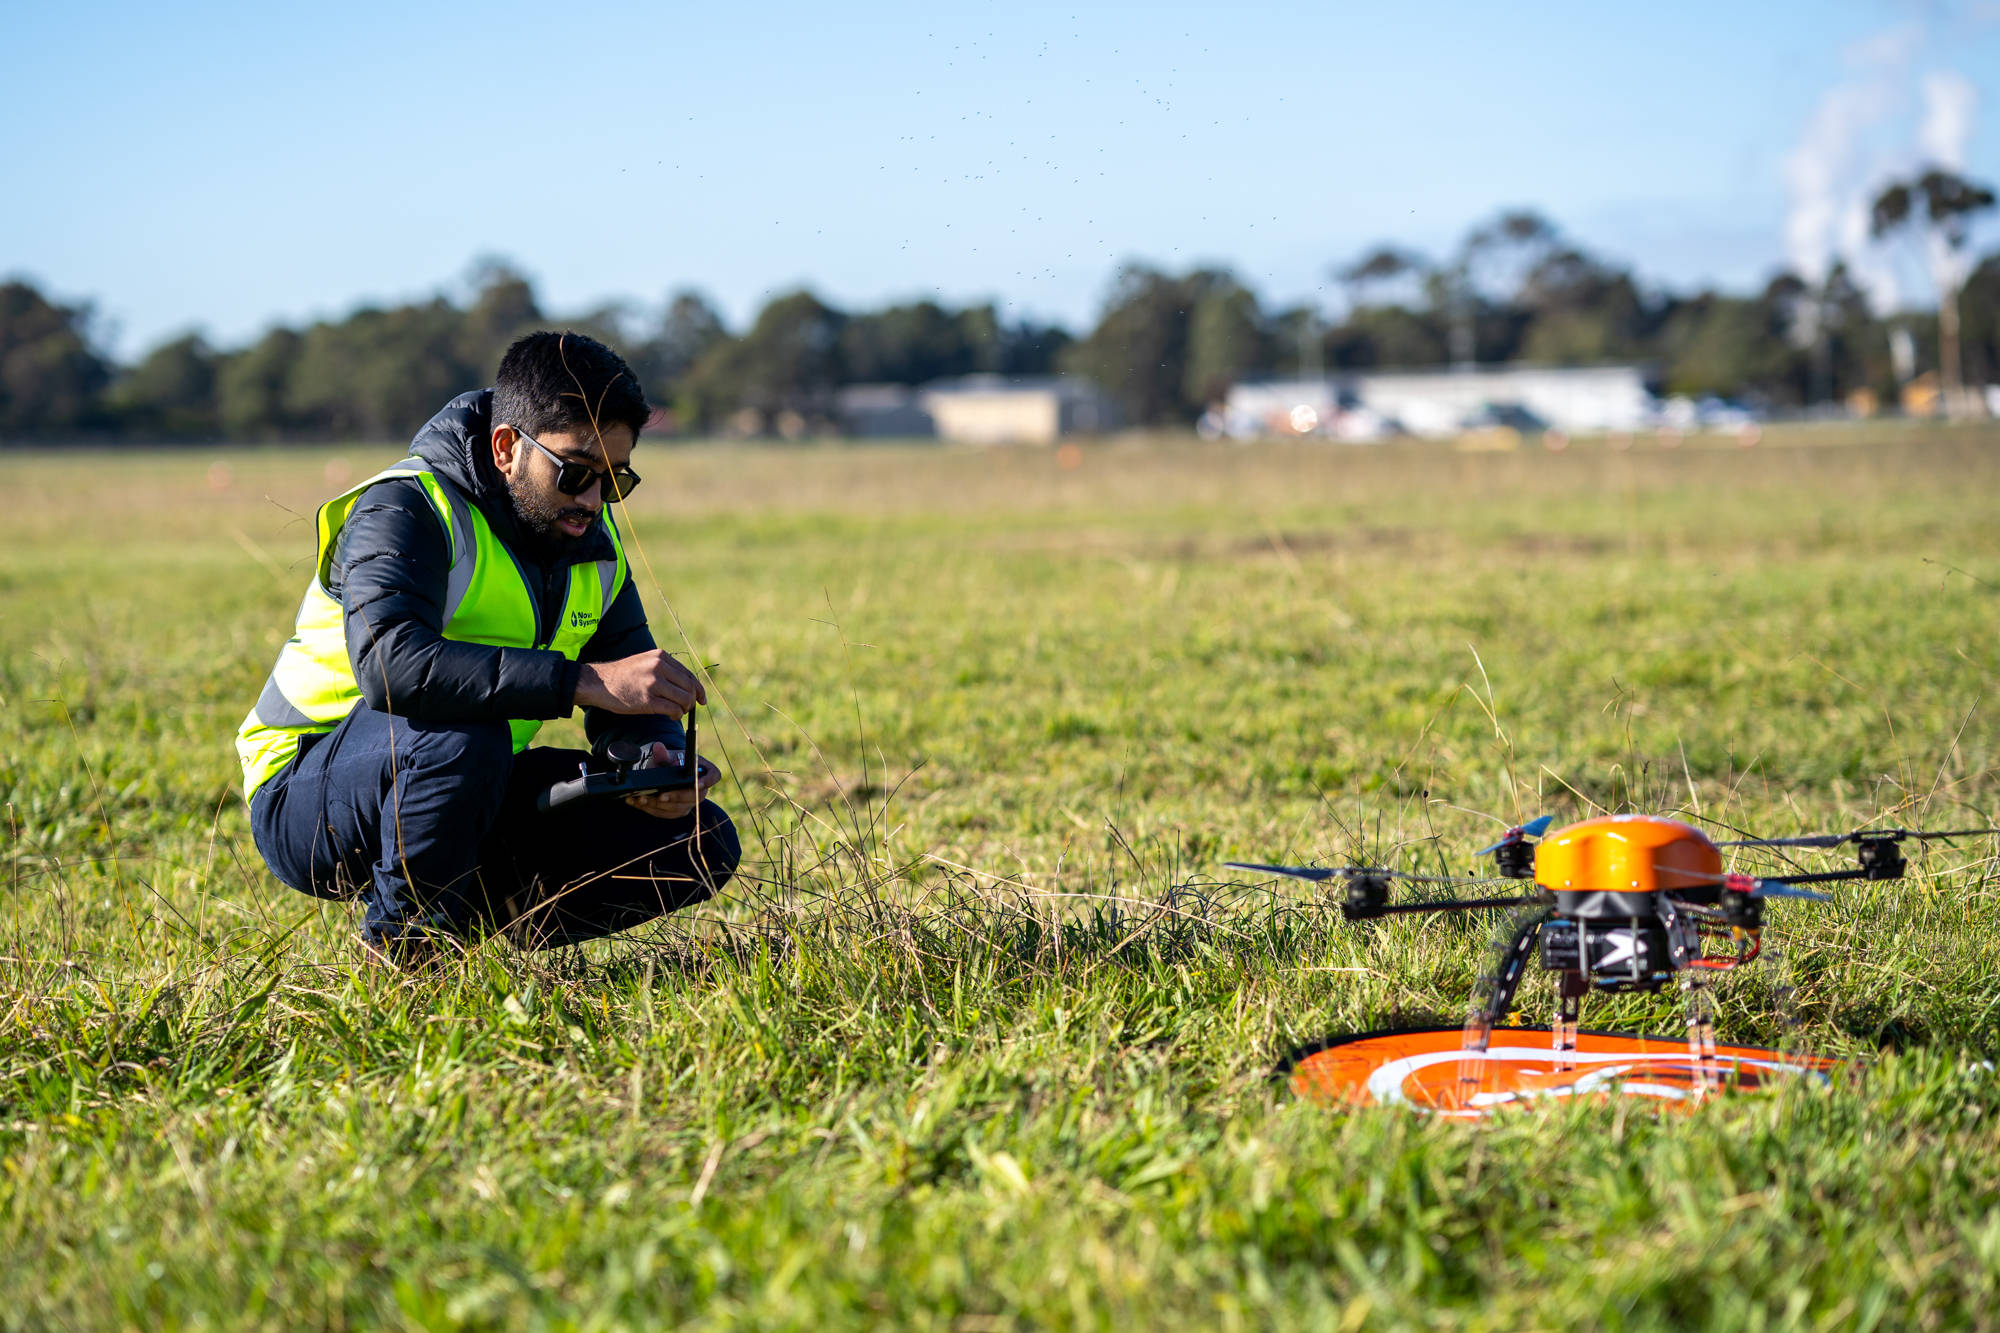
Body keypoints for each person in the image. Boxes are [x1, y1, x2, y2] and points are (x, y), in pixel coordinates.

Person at [235, 331, 739, 962]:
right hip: (306, 790)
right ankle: (405, 957)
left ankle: (461, 930)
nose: (592, 500)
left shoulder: (586, 532)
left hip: (470, 778)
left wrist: (654, 762)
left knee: (698, 839)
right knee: (465, 734)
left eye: (615, 480)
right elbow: (392, 668)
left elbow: (627, 684)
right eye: (576, 472)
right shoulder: (404, 508)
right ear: (507, 448)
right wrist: (577, 681)